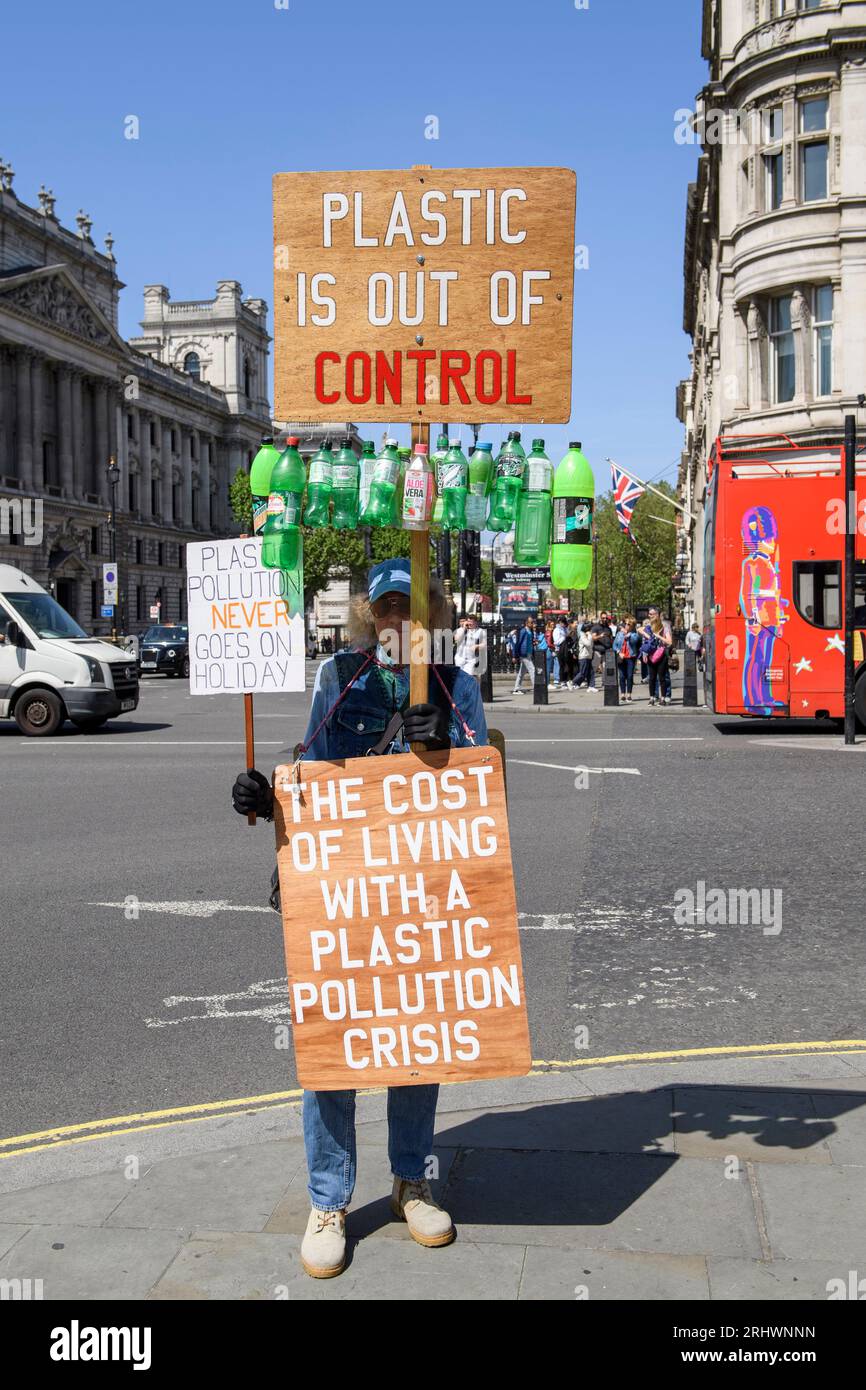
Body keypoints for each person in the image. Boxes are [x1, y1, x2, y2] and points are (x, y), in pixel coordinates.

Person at [230, 559, 487, 1280]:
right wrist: (263, 796)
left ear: (431, 612)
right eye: (385, 608)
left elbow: (486, 792)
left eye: (409, 605)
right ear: (369, 616)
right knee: (332, 1046)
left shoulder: (455, 684)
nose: (396, 619)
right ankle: (328, 1199)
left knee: (415, 1039)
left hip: (420, 895)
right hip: (343, 891)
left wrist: (447, 751)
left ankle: (411, 1178)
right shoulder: (336, 677)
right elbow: (309, 776)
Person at [642, 615, 673, 706]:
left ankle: (663, 699)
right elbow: (645, 642)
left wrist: (658, 636)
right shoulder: (649, 629)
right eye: (651, 623)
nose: (652, 624)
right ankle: (652, 698)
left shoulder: (664, 629)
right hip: (651, 655)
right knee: (652, 678)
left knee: (662, 678)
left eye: (654, 622)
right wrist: (644, 653)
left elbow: (670, 642)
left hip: (661, 655)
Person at [613, 617, 640, 702]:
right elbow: (614, 645)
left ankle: (629, 694)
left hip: (630, 657)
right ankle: (622, 694)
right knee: (621, 676)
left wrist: (628, 635)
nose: (626, 625)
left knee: (629, 676)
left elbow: (634, 642)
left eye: (629, 624)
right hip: (621, 657)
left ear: (632, 626)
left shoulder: (634, 635)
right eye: (626, 623)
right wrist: (618, 652)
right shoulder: (619, 634)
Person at [454, 613, 485, 681]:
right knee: (459, 678)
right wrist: (464, 628)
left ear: (476, 623)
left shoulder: (480, 631)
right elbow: (457, 639)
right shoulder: (459, 630)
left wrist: (477, 646)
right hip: (460, 658)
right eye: (468, 622)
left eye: (472, 622)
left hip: (471, 659)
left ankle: (466, 691)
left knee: (468, 677)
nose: (470, 624)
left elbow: (484, 644)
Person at [511, 616, 536, 694]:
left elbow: (529, 642)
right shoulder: (523, 631)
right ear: (526, 623)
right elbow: (517, 643)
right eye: (531, 622)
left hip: (528, 653)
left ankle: (516, 688)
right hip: (524, 654)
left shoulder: (530, 631)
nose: (532, 624)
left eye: (532, 622)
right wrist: (514, 656)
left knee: (521, 672)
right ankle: (537, 687)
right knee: (532, 670)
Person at [576, 620, 595, 690]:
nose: (591, 630)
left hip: (588, 656)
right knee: (582, 673)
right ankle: (573, 682)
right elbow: (588, 644)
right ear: (587, 629)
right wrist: (590, 635)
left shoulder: (585, 635)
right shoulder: (582, 635)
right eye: (590, 628)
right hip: (583, 656)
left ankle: (591, 686)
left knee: (591, 672)